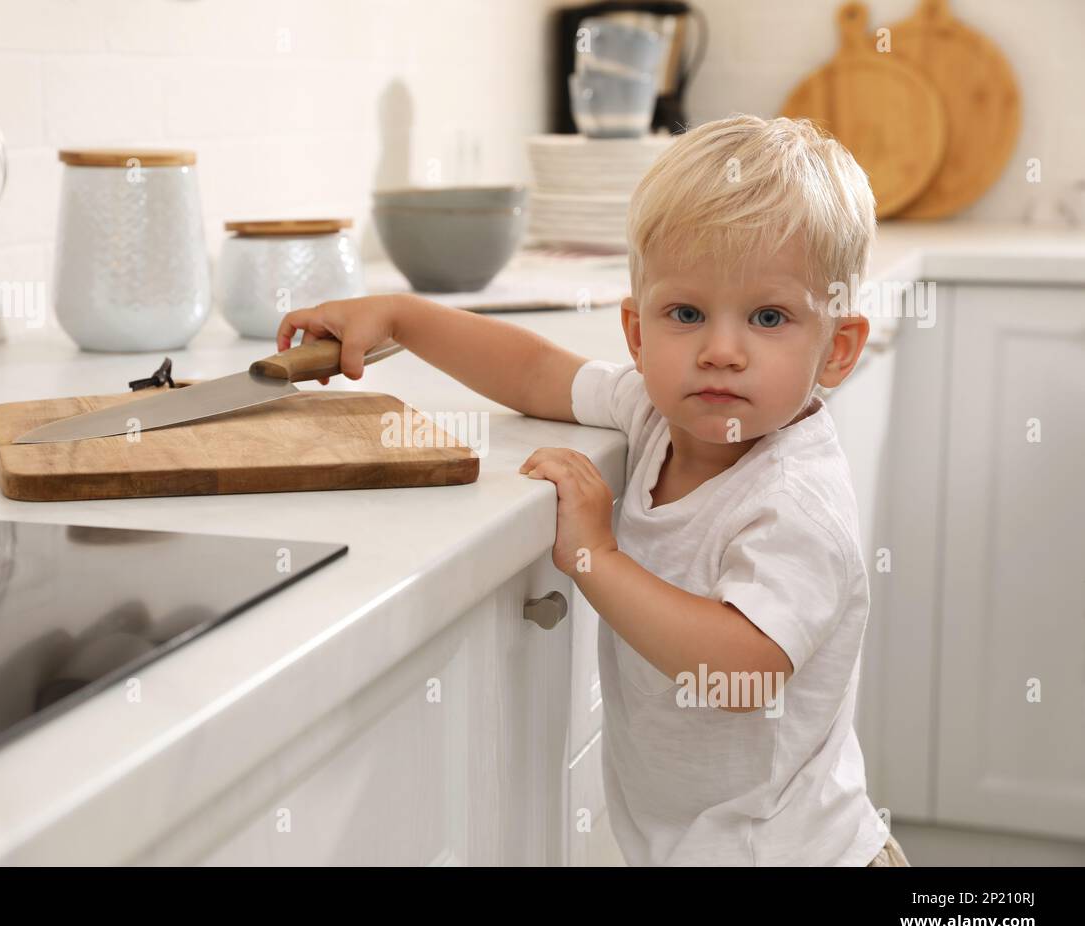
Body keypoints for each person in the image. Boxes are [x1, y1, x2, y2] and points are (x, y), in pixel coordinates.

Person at [276, 113, 908, 867]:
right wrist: (401, 318)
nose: (720, 351)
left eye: (769, 317)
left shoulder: (794, 496)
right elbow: (536, 372)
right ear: (638, 335)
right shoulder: (653, 409)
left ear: (835, 350)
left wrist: (596, 557)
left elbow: (742, 671)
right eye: (686, 314)